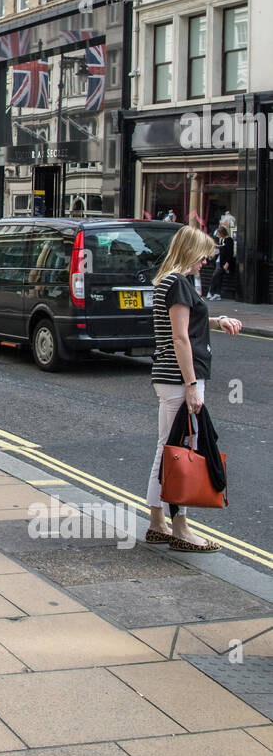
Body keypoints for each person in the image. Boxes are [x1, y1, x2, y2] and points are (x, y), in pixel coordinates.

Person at [145, 225, 242, 553]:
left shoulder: (169, 281)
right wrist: (190, 385)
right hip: (178, 378)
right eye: (204, 255)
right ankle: (180, 528)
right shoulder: (178, 283)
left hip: (170, 376)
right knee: (180, 452)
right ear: (190, 251)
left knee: (166, 448)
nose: (206, 261)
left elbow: (186, 325)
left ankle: (158, 522)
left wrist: (217, 321)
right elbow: (180, 337)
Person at [207, 220, 236, 302]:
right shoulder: (221, 240)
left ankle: (212, 292)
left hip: (223, 262)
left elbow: (229, 252)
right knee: (218, 277)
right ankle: (217, 294)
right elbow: (219, 250)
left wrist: (227, 263)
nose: (218, 234)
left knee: (215, 276)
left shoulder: (228, 240)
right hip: (218, 261)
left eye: (219, 233)